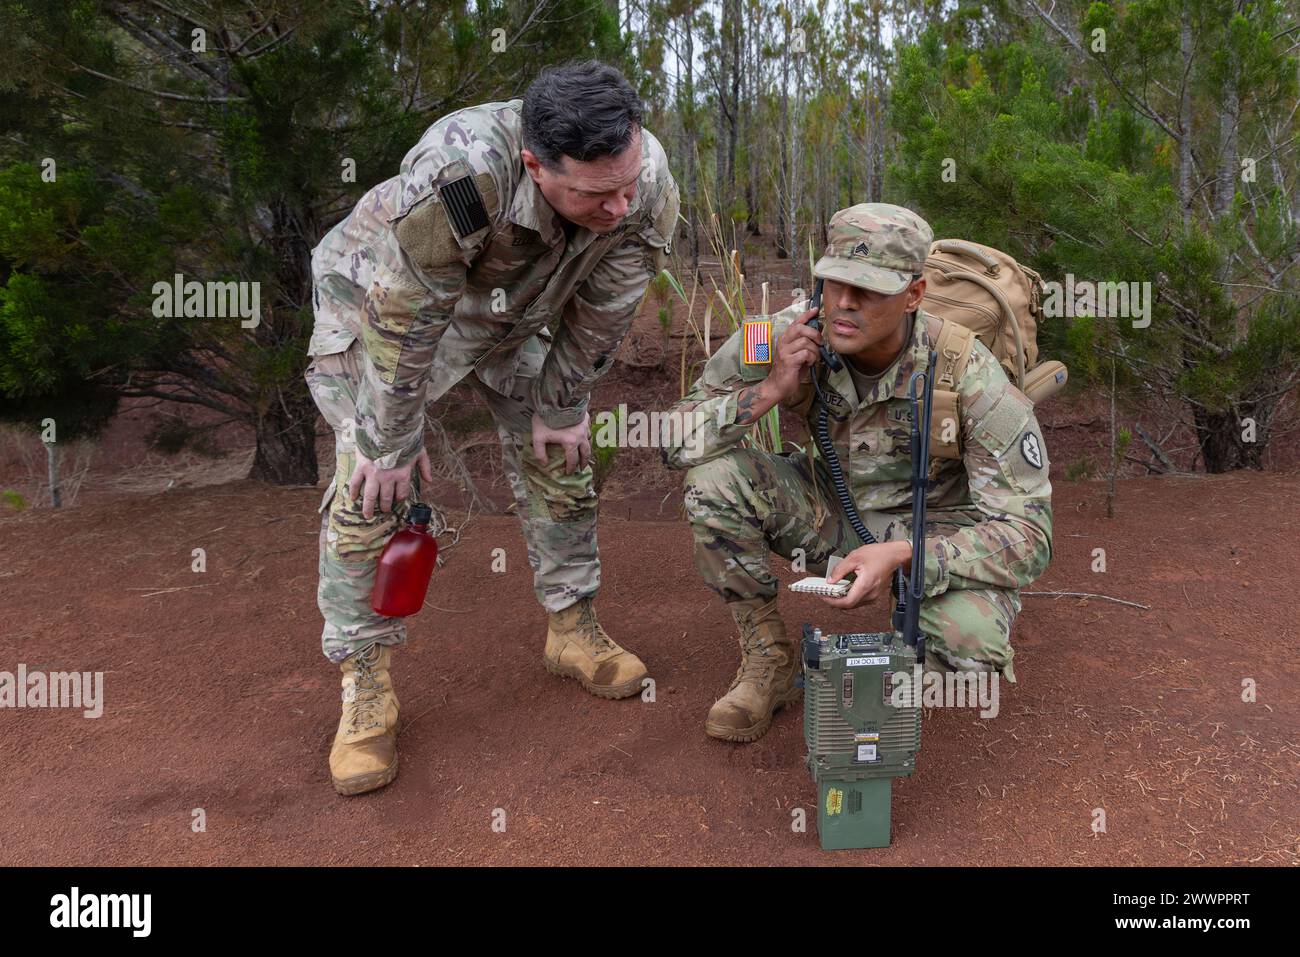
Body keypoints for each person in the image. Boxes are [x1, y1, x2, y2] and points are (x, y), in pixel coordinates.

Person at [306, 61, 680, 794]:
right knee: (371, 487)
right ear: (536, 167)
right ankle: (367, 682)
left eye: (629, 185)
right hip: (381, 307)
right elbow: (409, 312)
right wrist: (389, 442)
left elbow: (610, 299)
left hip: (514, 309)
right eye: (598, 194)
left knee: (562, 449)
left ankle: (572, 627)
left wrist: (562, 402)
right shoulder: (462, 171)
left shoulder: (642, 178)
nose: (622, 204)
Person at [662, 203, 1052, 743]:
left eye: (868, 289)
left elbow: (1030, 537)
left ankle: (887, 675)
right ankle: (768, 658)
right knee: (713, 481)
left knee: (971, 652)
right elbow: (673, 440)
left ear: (913, 295)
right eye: (833, 281)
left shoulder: (971, 373)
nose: (843, 302)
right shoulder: (777, 334)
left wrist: (907, 555)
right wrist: (770, 389)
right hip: (831, 513)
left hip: (934, 530)